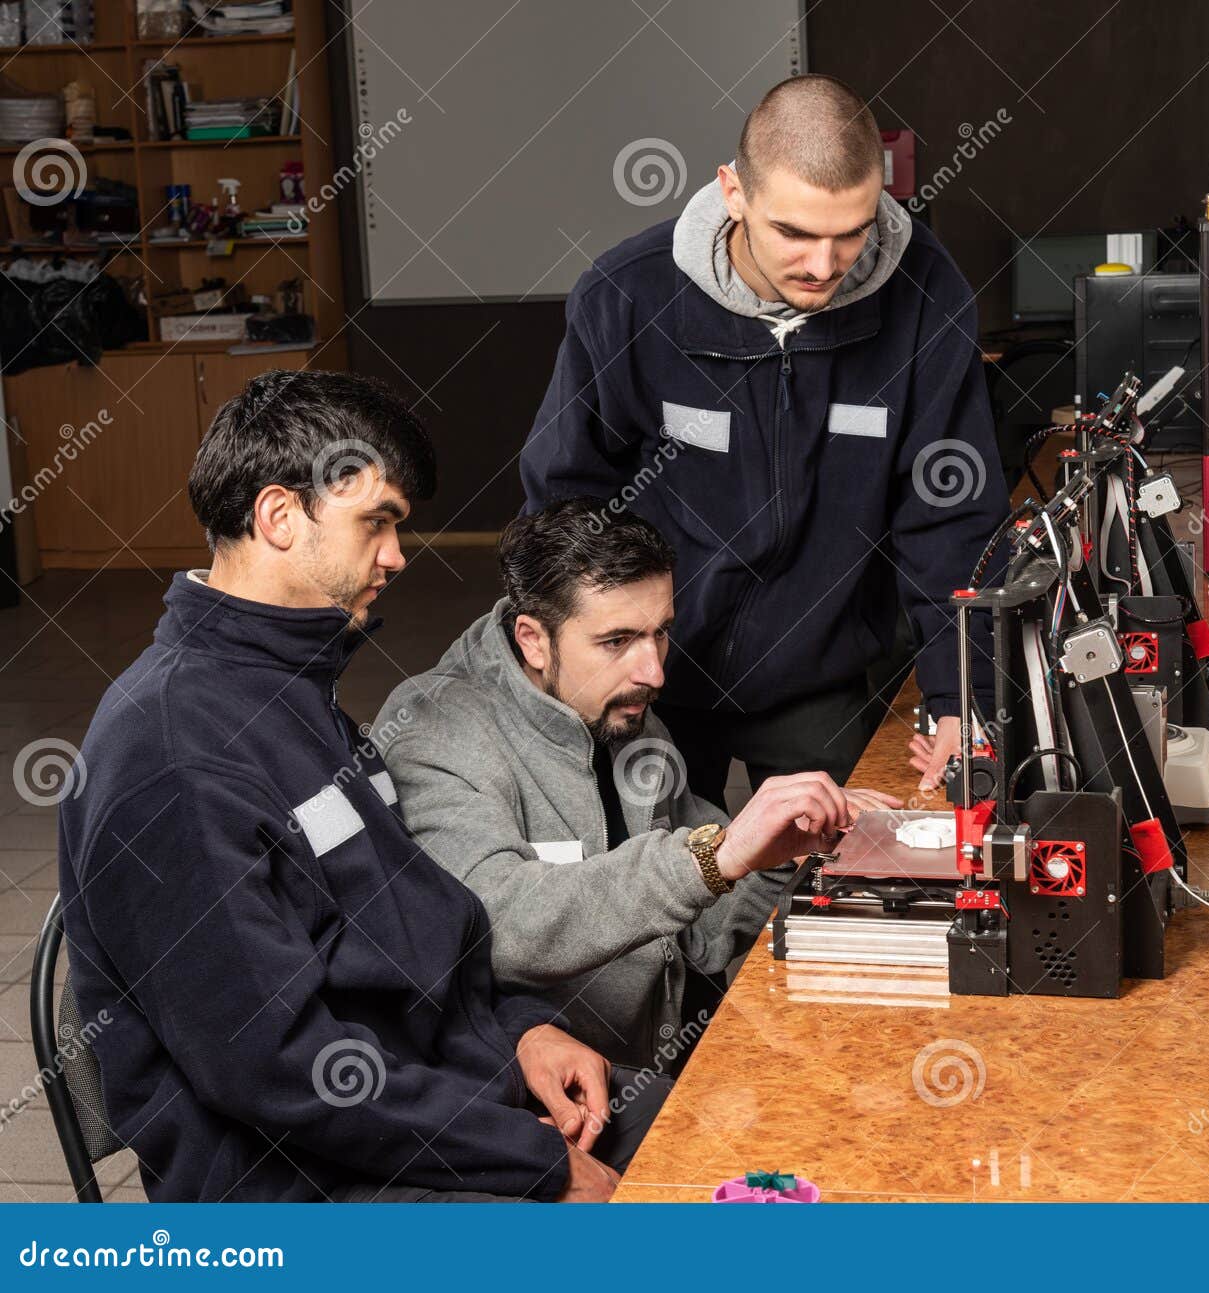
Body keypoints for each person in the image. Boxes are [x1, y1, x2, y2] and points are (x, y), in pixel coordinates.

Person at [57, 370, 632, 1203]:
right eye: (378, 523)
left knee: (710, 1124)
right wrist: (531, 1160)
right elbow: (279, 1069)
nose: (397, 556)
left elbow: (418, 936)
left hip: (422, 1103)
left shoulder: (289, 696)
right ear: (280, 516)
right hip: (307, 1187)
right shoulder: (176, 754)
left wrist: (522, 1032)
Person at [521, 73, 1007, 807]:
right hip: (655, 679)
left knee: (850, 879)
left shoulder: (926, 296)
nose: (822, 266)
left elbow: (952, 517)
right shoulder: (628, 296)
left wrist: (959, 702)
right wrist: (583, 677)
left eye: (852, 233)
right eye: (795, 233)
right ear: (734, 192)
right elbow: (567, 502)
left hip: (825, 673)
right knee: (652, 897)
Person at [374, 497, 899, 1068]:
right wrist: (714, 856)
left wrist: (786, 847)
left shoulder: (620, 711)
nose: (653, 672)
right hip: (532, 1099)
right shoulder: (434, 735)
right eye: (616, 641)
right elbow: (498, 927)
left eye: (661, 634)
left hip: (657, 1056)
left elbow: (697, 928)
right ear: (532, 638)